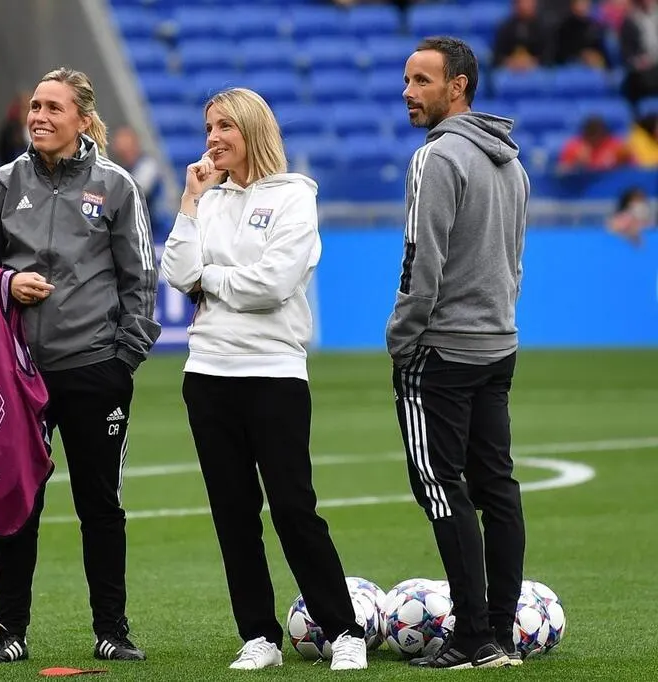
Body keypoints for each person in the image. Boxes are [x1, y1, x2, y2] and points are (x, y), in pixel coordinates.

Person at [0, 67, 159, 665]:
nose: (38, 116)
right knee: (19, 502)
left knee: (100, 504)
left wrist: (124, 359)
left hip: (96, 368)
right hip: (18, 374)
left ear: (81, 118)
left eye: (52, 108)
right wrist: (9, 282)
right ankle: (9, 632)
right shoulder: (1, 182)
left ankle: (113, 632)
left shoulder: (117, 186)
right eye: (34, 107)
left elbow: (140, 279)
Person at [159, 87, 368, 672]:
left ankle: (344, 629)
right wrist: (190, 202)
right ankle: (259, 636)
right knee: (232, 513)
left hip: (274, 373)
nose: (212, 138)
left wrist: (213, 278)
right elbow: (177, 273)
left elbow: (274, 283)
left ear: (251, 129)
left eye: (224, 125)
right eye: (207, 127)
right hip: (206, 374)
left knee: (294, 508)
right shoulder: (208, 198)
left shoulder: (296, 197)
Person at [388, 36, 529, 669]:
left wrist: (403, 335)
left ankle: (473, 638)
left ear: (459, 87)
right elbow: (516, 262)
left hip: (441, 350)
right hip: (497, 345)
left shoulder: (437, 158)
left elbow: (423, 258)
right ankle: (500, 631)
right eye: (407, 80)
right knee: (496, 487)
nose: (408, 92)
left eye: (422, 81)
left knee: (441, 488)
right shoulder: (512, 161)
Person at [110, 126, 166, 241]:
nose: (120, 145)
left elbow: (135, 191)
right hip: (133, 233)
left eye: (124, 140)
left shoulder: (148, 166)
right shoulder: (121, 169)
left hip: (154, 232)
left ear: (134, 143)